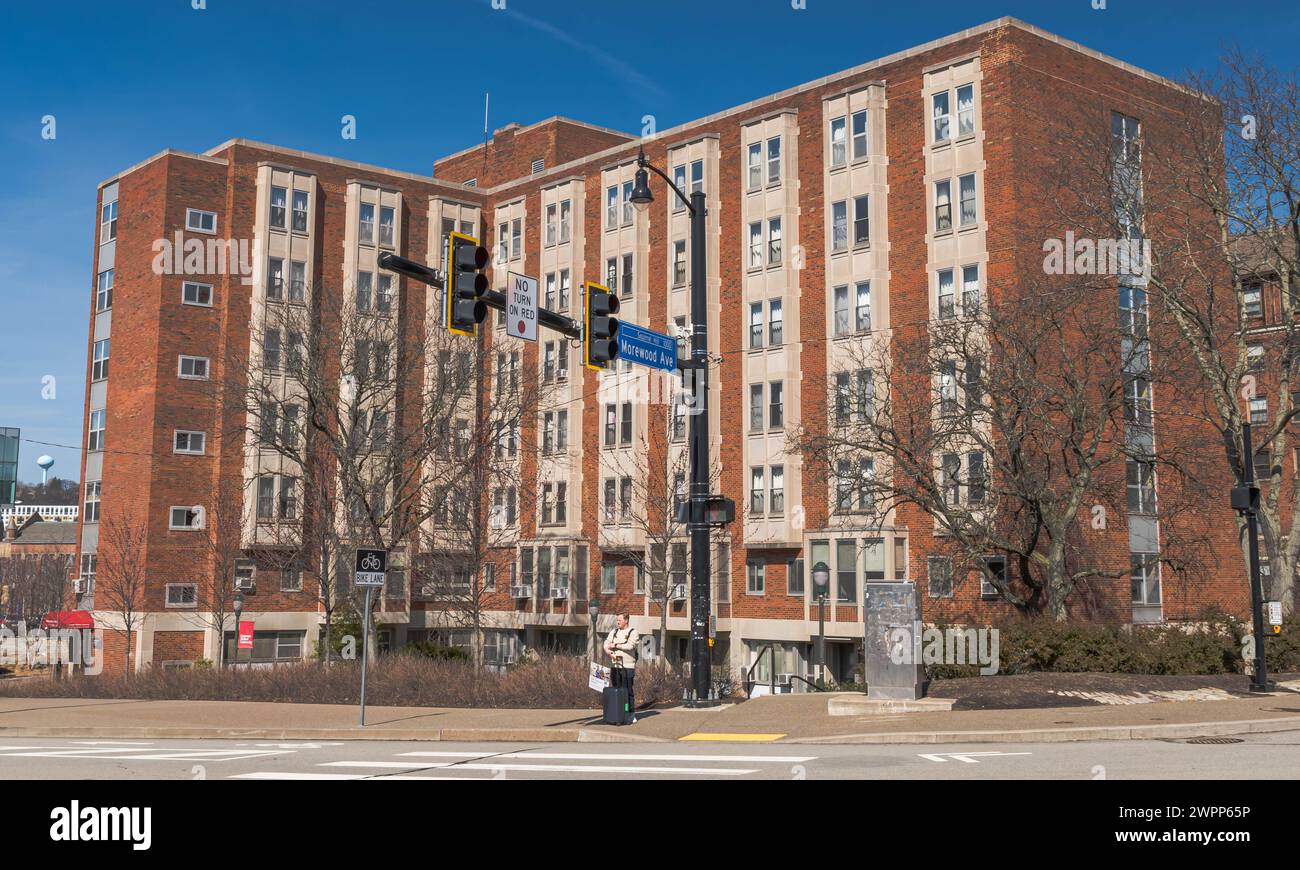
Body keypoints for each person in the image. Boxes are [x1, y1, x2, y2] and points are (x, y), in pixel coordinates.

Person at [603, 614, 640, 723]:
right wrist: (608, 651)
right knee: (616, 690)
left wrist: (615, 645)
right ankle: (618, 713)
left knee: (627, 691)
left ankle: (630, 713)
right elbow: (606, 643)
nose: (617, 622)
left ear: (626, 620)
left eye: (620, 620)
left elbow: (630, 646)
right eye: (617, 620)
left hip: (627, 667)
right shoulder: (614, 632)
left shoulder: (633, 632)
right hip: (615, 666)